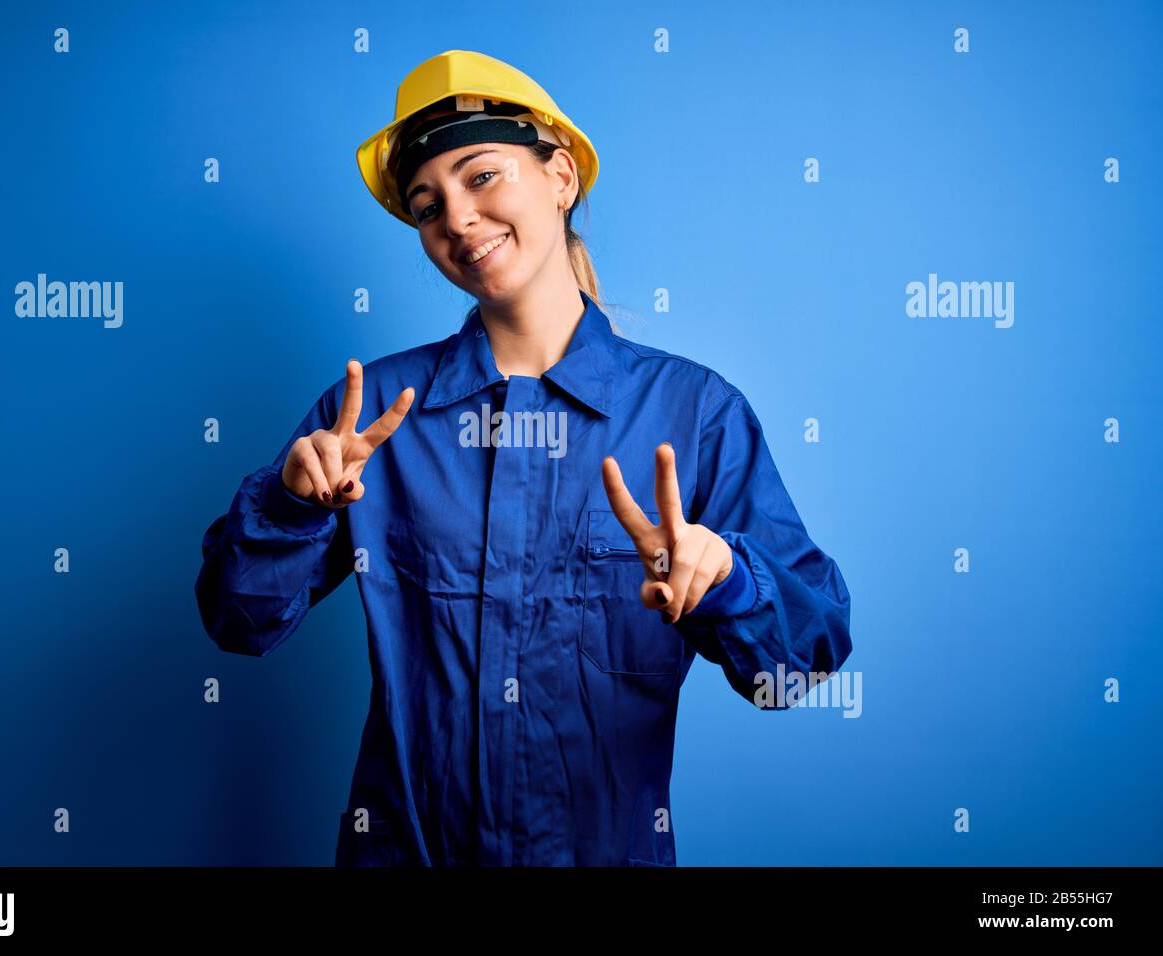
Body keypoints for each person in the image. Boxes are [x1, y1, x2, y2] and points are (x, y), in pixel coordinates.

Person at [194, 49, 853, 866]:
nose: (458, 220)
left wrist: (727, 578)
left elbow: (798, 668)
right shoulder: (366, 419)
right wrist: (292, 508)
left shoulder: (694, 414)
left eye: (481, 176)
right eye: (428, 206)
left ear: (561, 176)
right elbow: (236, 622)